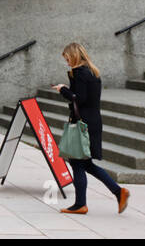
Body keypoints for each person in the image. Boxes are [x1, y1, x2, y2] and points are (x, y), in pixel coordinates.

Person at [52, 42, 129, 215]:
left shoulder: (80, 73)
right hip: (92, 122)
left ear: (74, 56)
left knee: (77, 162)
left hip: (83, 124)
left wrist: (63, 89)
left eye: (67, 59)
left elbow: (79, 98)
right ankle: (118, 192)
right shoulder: (92, 72)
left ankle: (81, 204)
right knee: (85, 163)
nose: (67, 62)